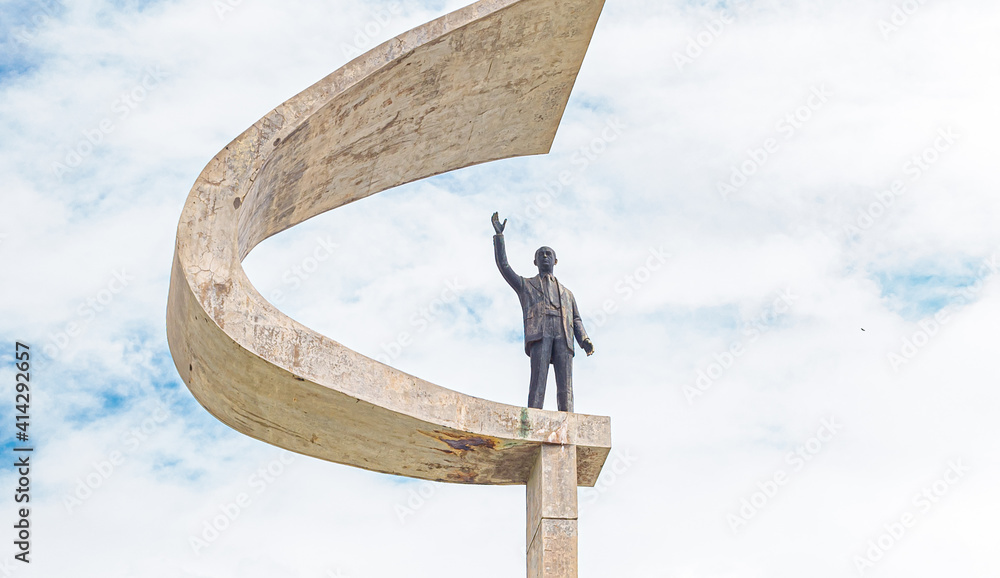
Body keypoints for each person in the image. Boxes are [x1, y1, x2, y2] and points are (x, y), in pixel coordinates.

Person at [492, 212, 594, 412]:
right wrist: (499, 238)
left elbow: (576, 318)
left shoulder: (567, 294)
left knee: (566, 386)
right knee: (538, 381)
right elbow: (504, 267)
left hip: (564, 335)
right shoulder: (526, 286)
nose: (545, 257)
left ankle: (567, 420)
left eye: (549, 254)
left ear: (556, 261)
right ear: (535, 262)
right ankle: (533, 417)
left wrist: (584, 339)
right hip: (540, 333)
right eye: (541, 254)